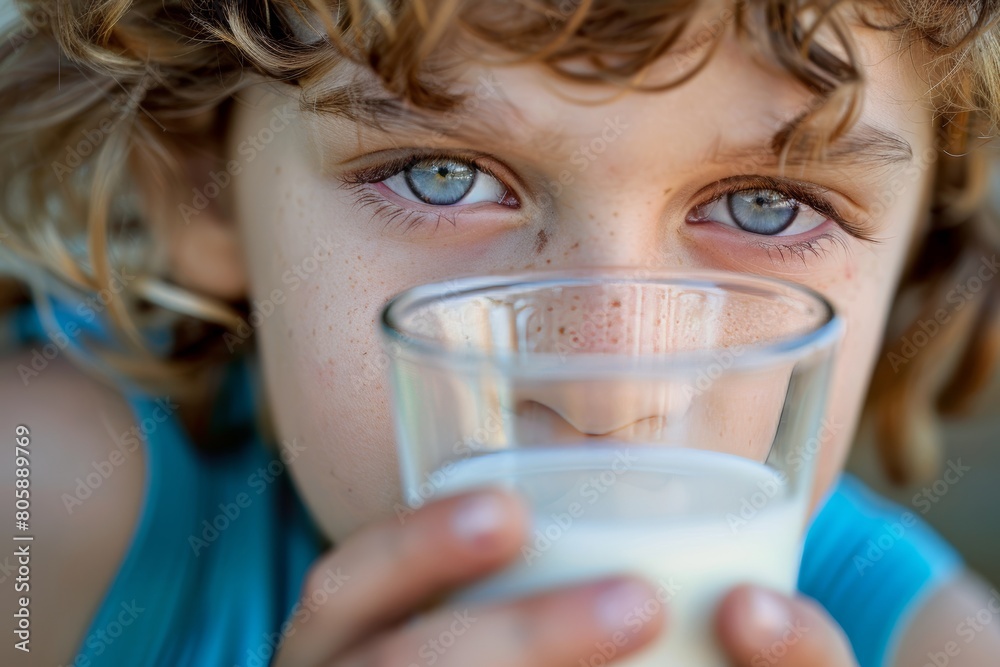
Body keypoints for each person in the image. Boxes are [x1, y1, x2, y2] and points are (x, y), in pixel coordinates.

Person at [1, 0, 999, 665]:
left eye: (765, 208)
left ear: (912, 247)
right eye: (444, 176)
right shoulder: (42, 513)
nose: (605, 390)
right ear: (197, 191)